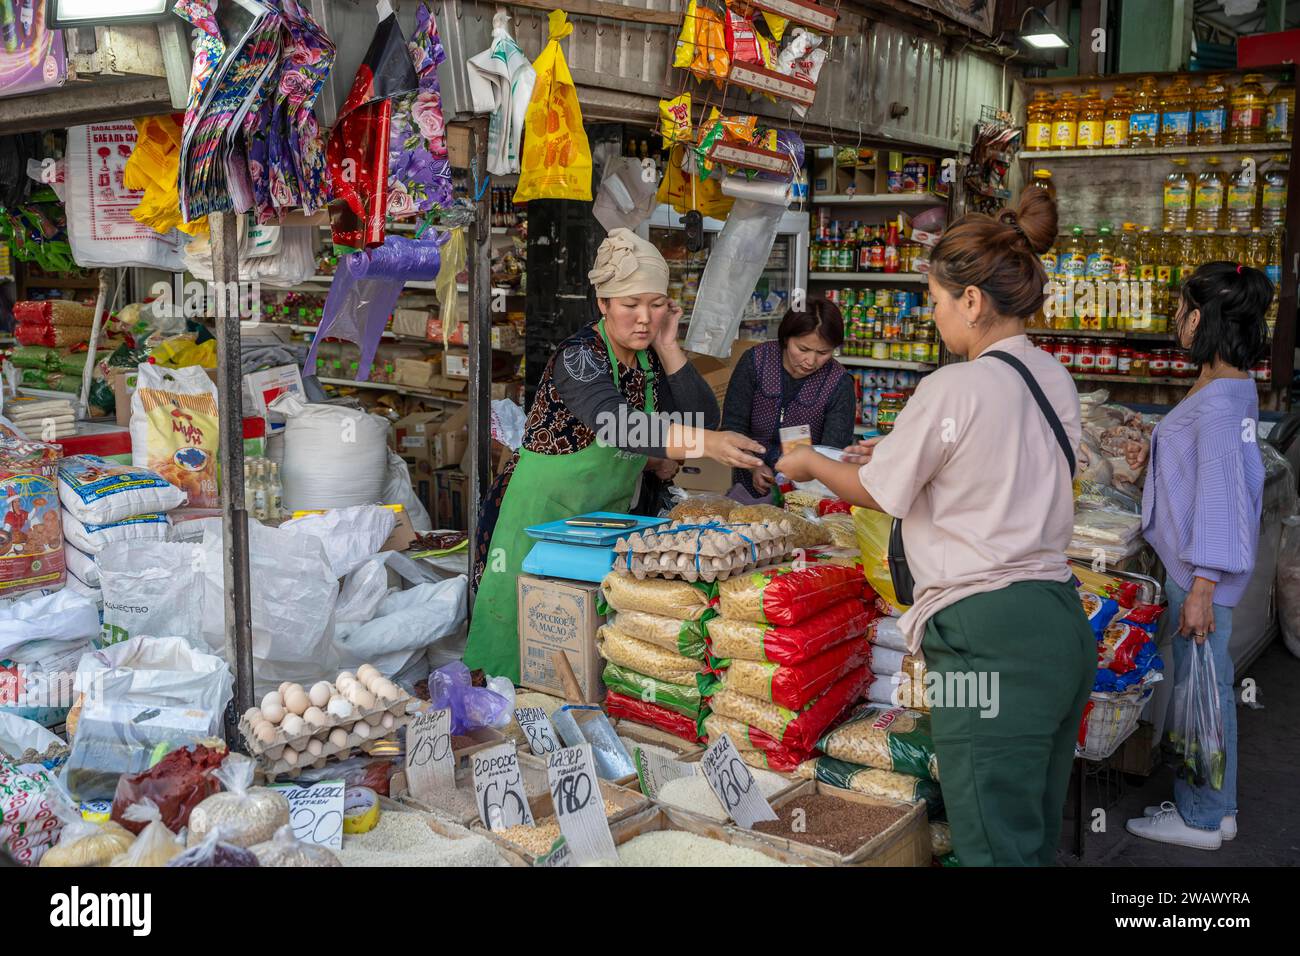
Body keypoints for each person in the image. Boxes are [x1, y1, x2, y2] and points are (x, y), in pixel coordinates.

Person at [775, 187, 1093, 866]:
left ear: (972, 301)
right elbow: (981, 465)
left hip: (985, 637)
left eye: (937, 300)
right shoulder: (1051, 376)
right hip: (1060, 623)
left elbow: (877, 492)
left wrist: (810, 463)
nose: (934, 314)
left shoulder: (956, 385)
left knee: (986, 845)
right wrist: (885, 456)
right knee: (1028, 833)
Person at [464, 228, 765, 682]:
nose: (644, 318)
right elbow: (616, 424)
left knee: (592, 642)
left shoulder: (647, 358)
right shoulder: (579, 357)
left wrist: (668, 347)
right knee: (521, 635)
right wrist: (707, 446)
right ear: (602, 304)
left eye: (656, 304)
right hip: (539, 519)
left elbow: (702, 416)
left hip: (603, 524)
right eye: (630, 304)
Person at [1124, 262, 1270, 851]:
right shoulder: (1223, 385)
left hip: (1199, 573)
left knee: (1196, 697)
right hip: (1197, 570)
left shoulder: (1221, 399)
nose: (1176, 320)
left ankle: (1199, 820)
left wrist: (1204, 587)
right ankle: (1221, 808)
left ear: (1204, 318)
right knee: (1209, 690)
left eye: (1183, 309)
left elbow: (1220, 495)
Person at [721, 299, 856, 500]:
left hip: (807, 493)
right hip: (748, 483)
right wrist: (754, 466)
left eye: (823, 352)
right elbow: (733, 426)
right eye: (802, 349)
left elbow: (833, 453)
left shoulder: (839, 383)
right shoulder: (756, 361)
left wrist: (799, 478)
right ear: (786, 338)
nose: (810, 361)